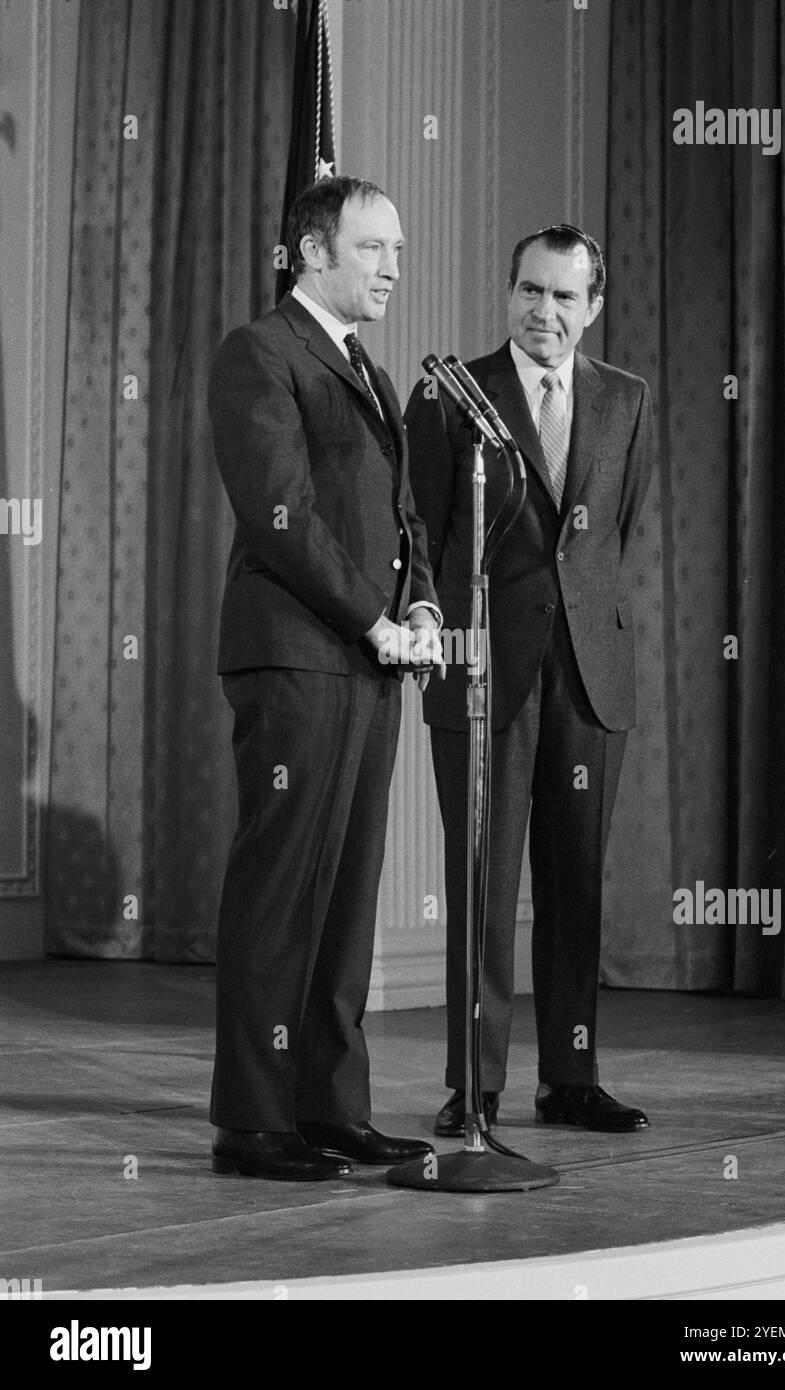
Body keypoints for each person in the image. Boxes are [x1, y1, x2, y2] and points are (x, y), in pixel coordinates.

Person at [208, 175, 444, 1180]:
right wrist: (376, 619)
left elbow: (399, 516)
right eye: (373, 247)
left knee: (346, 894)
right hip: (300, 654)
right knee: (282, 892)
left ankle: (331, 1105)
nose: (393, 265)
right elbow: (279, 514)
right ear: (312, 251)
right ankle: (254, 1121)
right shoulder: (260, 352)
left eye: (397, 247)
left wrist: (423, 604)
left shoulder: (370, 370)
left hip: (369, 659)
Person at [405, 224, 654, 1138]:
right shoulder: (451, 396)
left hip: (590, 673)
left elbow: (614, 536)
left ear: (592, 307)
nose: (541, 312)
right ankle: (475, 1085)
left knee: (575, 882)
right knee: (481, 882)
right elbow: (421, 535)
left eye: (560, 296)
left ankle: (571, 1078)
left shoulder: (626, 399)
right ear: (507, 293)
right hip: (484, 671)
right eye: (527, 291)